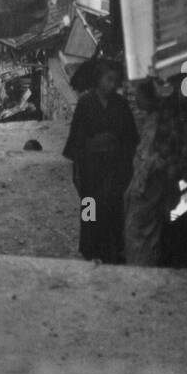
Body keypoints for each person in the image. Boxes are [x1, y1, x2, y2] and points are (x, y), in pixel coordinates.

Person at [62, 57, 139, 263]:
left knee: (113, 208)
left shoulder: (121, 105)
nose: (112, 85)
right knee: (89, 206)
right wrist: (91, 148)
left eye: (116, 81)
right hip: (90, 168)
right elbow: (76, 138)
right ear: (99, 80)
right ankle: (89, 248)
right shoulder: (85, 103)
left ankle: (113, 251)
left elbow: (130, 138)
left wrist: (117, 148)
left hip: (114, 168)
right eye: (109, 79)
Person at [124, 73, 187, 267]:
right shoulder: (163, 118)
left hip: (154, 186)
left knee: (141, 232)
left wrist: (137, 189)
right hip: (167, 186)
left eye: (138, 95)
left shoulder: (159, 122)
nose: (135, 99)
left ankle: (140, 272)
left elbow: (152, 160)